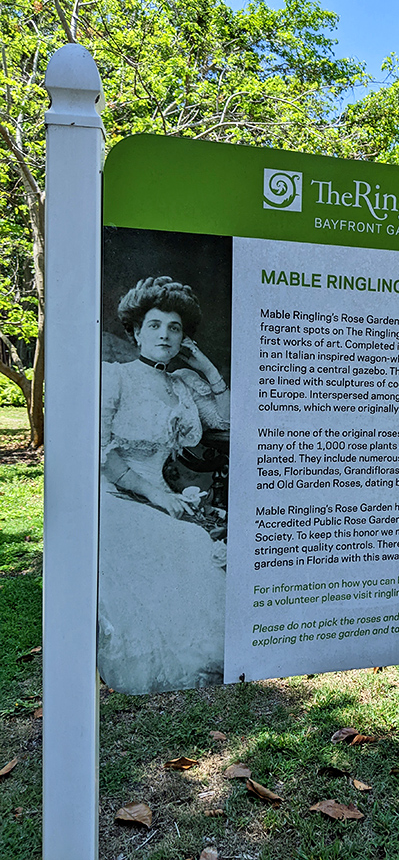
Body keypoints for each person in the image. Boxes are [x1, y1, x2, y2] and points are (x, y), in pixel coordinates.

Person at [98, 276, 229, 694]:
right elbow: (101, 453)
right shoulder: (114, 378)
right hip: (114, 497)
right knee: (185, 544)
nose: (164, 335)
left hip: (163, 500)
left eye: (175, 328)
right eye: (154, 325)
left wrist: (206, 367)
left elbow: (227, 423)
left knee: (194, 544)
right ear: (135, 331)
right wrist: (157, 495)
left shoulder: (183, 385)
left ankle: (209, 657)